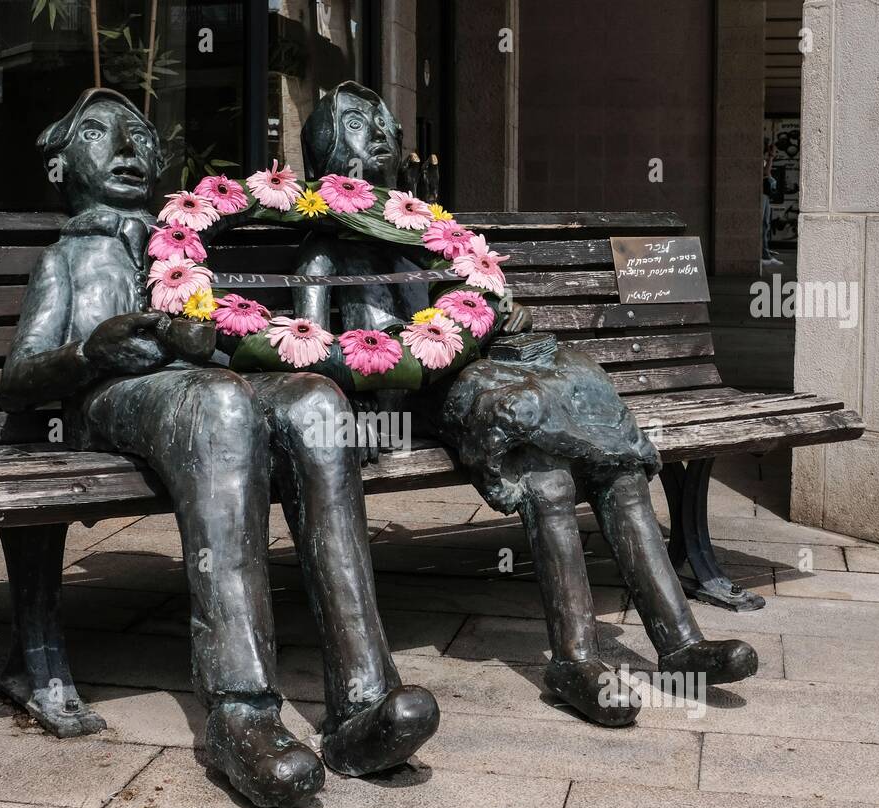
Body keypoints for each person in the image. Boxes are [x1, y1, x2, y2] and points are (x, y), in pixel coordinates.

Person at [0, 88, 438, 808]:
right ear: (60, 160)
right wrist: (91, 349)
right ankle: (241, 711)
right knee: (220, 404)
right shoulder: (70, 257)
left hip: (199, 389)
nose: (128, 150)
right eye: (101, 135)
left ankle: (363, 696)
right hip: (113, 400)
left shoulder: (188, 239)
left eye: (141, 137)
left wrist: (218, 338)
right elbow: (19, 379)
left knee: (315, 401)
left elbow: (238, 331)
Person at [293, 82, 758, 728]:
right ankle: (575, 658)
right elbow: (311, 350)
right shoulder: (323, 250)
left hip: (475, 378)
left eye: (383, 124)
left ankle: (679, 640)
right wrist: (367, 394)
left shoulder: (423, 234)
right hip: (421, 404)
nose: (378, 135)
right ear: (325, 155)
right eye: (355, 125)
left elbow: (472, 304)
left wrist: (490, 310)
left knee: (615, 465)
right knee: (546, 476)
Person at [762, 140, 783, 270]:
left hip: (765, 194)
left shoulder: (764, 159)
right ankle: (764, 255)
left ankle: (765, 254)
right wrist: (771, 157)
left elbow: (767, 173)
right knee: (763, 225)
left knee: (765, 225)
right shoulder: (762, 159)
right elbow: (766, 172)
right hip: (761, 194)